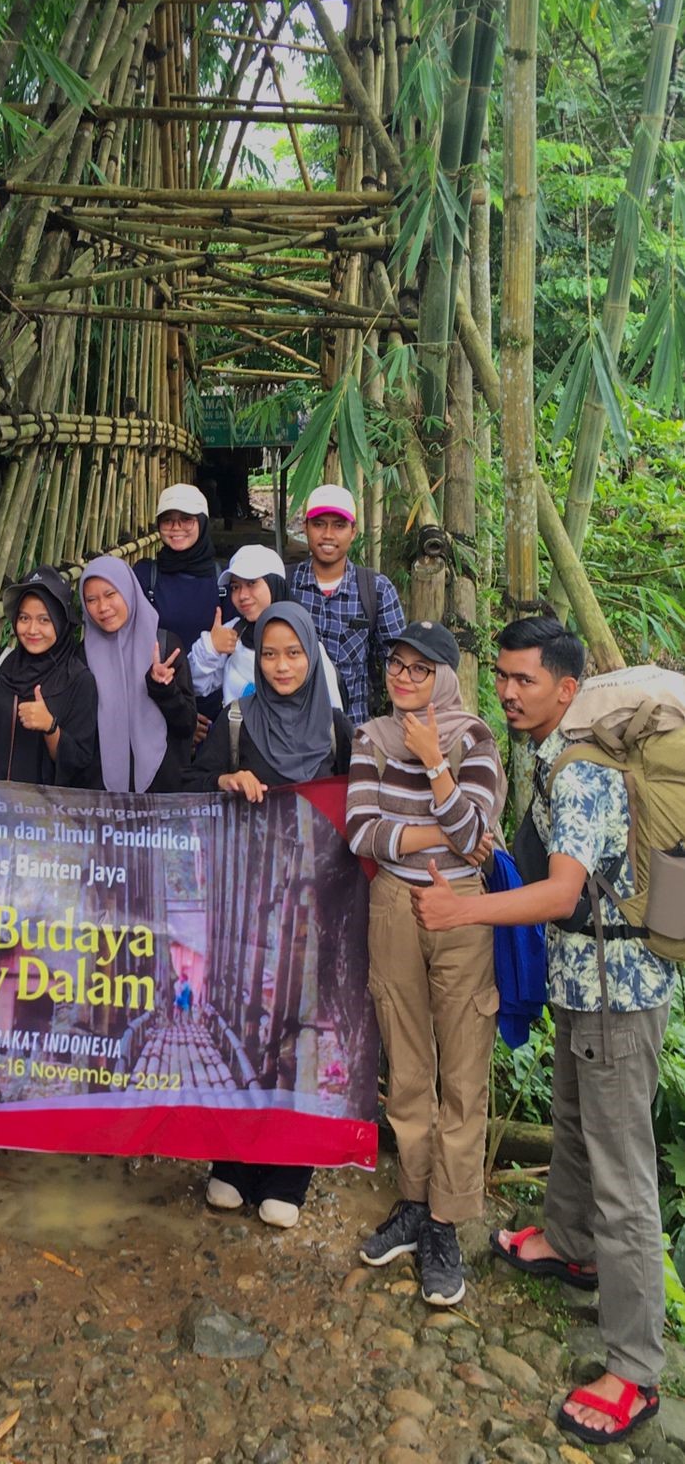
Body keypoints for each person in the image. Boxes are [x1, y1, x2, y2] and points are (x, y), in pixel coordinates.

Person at [412, 617, 672, 1444]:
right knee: (570, 1118)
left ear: (567, 688)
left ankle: (634, 1368)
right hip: (582, 978)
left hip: (616, 989)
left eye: (527, 681)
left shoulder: (587, 770)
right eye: (506, 678)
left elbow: (563, 895)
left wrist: (460, 908)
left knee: (624, 1172)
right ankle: (568, 1239)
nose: (512, 693)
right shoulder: (548, 754)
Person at [346, 620, 506, 1306]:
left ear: (445, 674)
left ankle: (446, 1217)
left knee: (463, 1065)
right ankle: (413, 1199)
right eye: (397, 667)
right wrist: (441, 828)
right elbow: (361, 830)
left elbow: (478, 836)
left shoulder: (474, 739)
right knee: (406, 1059)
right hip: (392, 904)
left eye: (420, 669)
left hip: (464, 909)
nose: (405, 679)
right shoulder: (371, 738)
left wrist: (433, 765)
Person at [186, 603, 353, 1229]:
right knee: (242, 1023)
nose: (282, 666)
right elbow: (191, 789)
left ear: (313, 656)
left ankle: (290, 1172)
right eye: (271, 653)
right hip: (246, 902)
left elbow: (354, 818)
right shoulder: (235, 719)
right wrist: (227, 779)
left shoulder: (339, 732)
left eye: (294, 652)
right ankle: (232, 1162)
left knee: (301, 1031)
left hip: (314, 906)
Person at [0, 566, 99, 787]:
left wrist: (50, 727)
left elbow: (78, 761)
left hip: (35, 811)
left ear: (61, 622)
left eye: (44, 620)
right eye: (24, 618)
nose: (32, 630)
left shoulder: (79, 680)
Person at [79, 555, 196, 793]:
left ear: (129, 590)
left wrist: (164, 689)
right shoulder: (82, 657)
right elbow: (80, 739)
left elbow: (187, 725)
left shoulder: (164, 646)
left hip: (163, 799)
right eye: (91, 599)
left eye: (111, 594)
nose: (103, 608)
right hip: (102, 805)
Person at [288, 484, 404, 723]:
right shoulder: (284, 584)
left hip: (353, 731)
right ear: (305, 527)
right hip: (290, 730)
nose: (328, 534)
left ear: (353, 532)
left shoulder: (376, 589)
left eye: (339, 525)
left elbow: (399, 663)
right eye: (319, 524)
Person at [188, 544, 342, 709]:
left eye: (252, 583)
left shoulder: (303, 635)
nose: (242, 595)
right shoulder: (233, 634)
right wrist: (211, 648)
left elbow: (331, 712)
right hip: (241, 734)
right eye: (235, 587)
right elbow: (197, 686)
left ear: (274, 583)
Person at [133, 484, 223, 662]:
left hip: (211, 685)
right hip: (158, 684)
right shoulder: (145, 575)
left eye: (186, 519)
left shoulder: (223, 579)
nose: (176, 527)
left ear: (202, 522)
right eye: (168, 520)